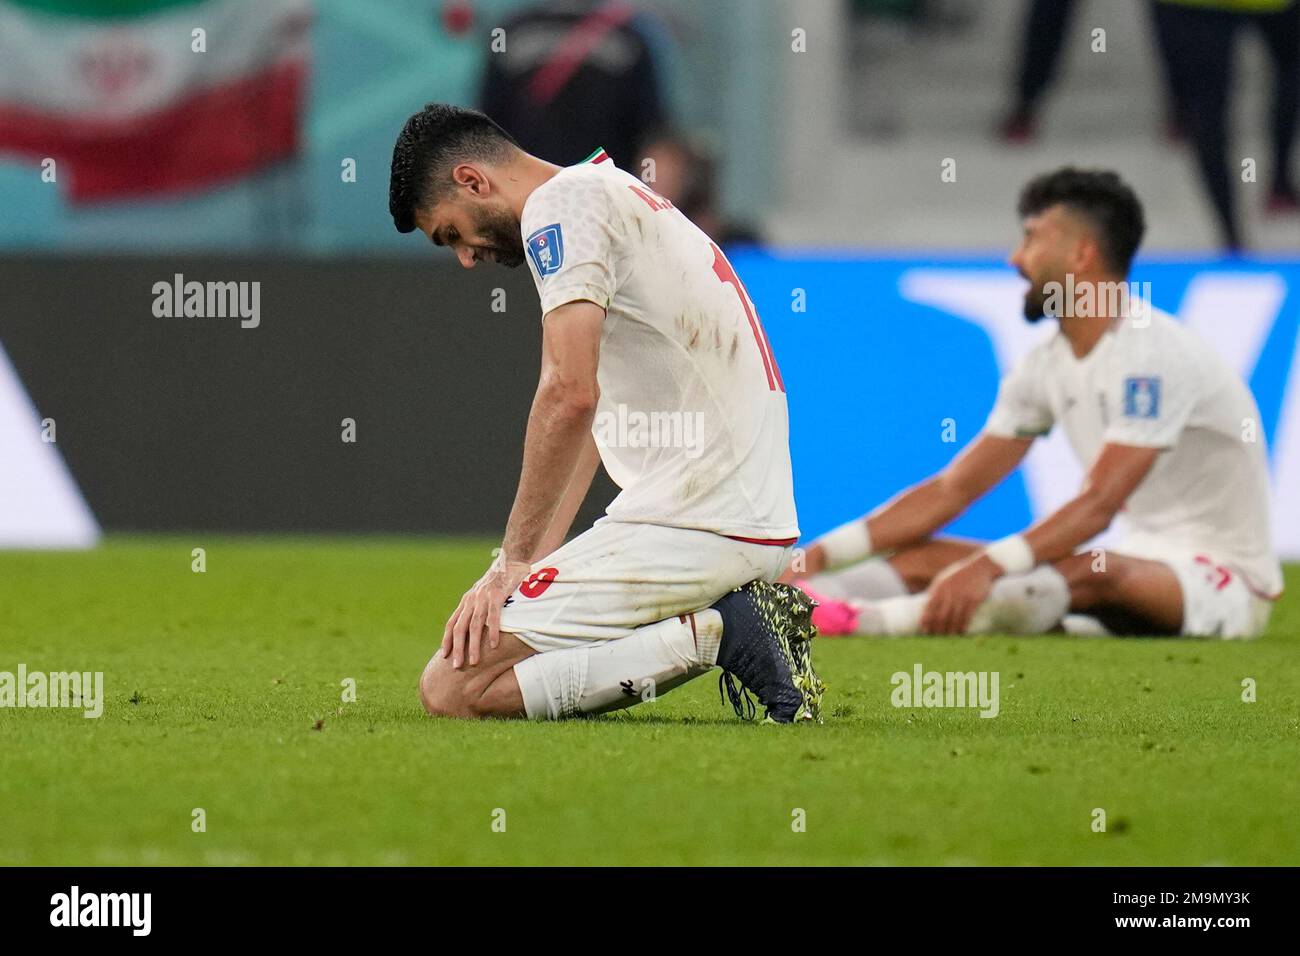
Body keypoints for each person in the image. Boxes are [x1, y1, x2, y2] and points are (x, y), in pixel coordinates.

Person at [388, 104, 823, 722]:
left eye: (453, 234)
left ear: (472, 180)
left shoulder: (560, 208)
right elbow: (593, 420)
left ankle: (721, 632)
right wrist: (524, 565)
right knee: (481, 661)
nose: (465, 257)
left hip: (698, 525)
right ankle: (728, 622)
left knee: (452, 687)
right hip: (736, 518)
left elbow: (567, 395)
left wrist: (509, 564)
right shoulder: (608, 188)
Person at [789, 167, 1281, 640]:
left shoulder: (1151, 356)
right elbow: (952, 488)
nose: (1015, 259)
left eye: (1031, 238)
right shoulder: (1045, 366)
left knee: (1072, 570)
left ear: (1081, 254)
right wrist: (817, 556)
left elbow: (1099, 504)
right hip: (1137, 555)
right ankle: (791, 605)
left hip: (1224, 580)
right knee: (924, 559)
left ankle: (861, 622)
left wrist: (986, 567)